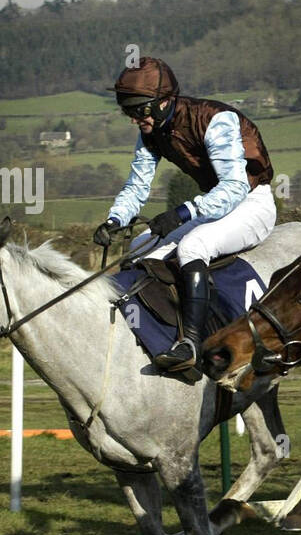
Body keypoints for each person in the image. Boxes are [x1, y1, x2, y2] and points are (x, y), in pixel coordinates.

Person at [94, 57, 276, 371]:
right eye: (129, 112)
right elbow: (138, 184)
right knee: (140, 245)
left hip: (252, 204)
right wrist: (115, 219)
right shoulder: (151, 132)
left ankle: (191, 344)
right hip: (216, 207)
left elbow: (234, 187)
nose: (135, 119)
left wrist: (183, 212)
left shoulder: (214, 120)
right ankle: (152, 333)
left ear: (164, 102)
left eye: (140, 110)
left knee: (193, 246)